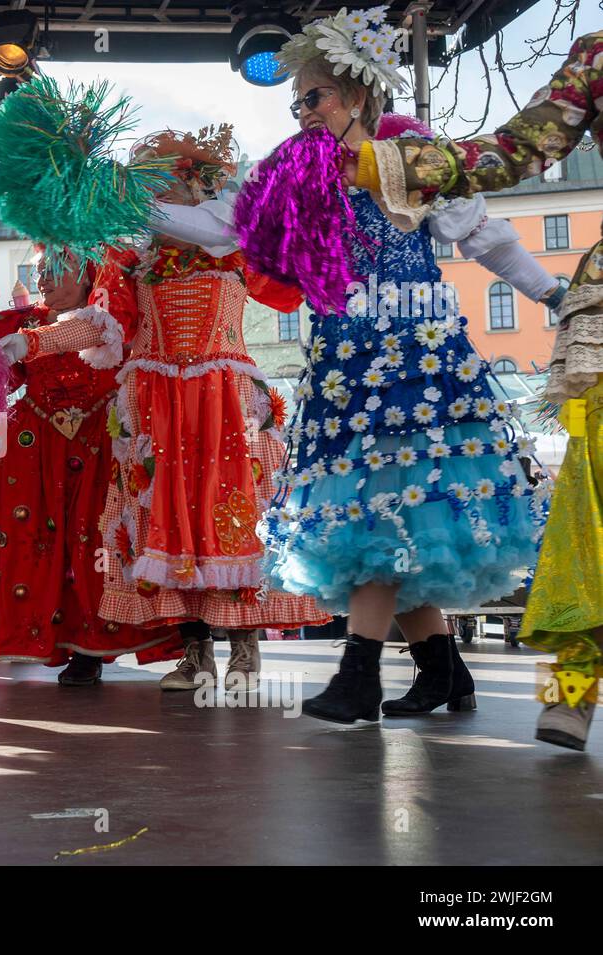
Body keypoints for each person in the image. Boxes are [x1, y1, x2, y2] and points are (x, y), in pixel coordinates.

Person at [258, 7, 557, 723]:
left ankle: (358, 675)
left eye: (314, 97)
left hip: (414, 364)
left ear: (356, 96)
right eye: (297, 100)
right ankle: (444, 672)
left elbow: (484, 237)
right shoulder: (305, 173)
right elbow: (231, 232)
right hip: (345, 363)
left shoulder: (409, 156)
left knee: (385, 508)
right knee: (391, 513)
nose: (301, 111)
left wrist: (554, 292)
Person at [0, 127, 329, 691]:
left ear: (191, 183)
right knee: (168, 521)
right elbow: (101, 324)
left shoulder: (231, 243)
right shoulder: (135, 260)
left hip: (222, 395)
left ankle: (245, 646)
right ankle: (196, 650)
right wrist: (29, 342)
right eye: (147, 185)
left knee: (225, 513)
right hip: (155, 400)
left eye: (164, 182)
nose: (155, 196)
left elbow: (291, 289)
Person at [350, 26, 603, 749]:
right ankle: (573, 693)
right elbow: (512, 152)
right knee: (590, 511)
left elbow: (486, 226)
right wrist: (389, 160)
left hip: (421, 359)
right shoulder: (598, 53)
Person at [0, 248, 179, 684]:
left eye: (55, 272)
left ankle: (93, 648)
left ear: (89, 273)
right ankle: (60, 642)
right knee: (45, 545)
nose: (44, 282)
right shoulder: (19, 324)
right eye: (38, 273)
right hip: (37, 454)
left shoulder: (116, 324)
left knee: (97, 543)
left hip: (101, 447)